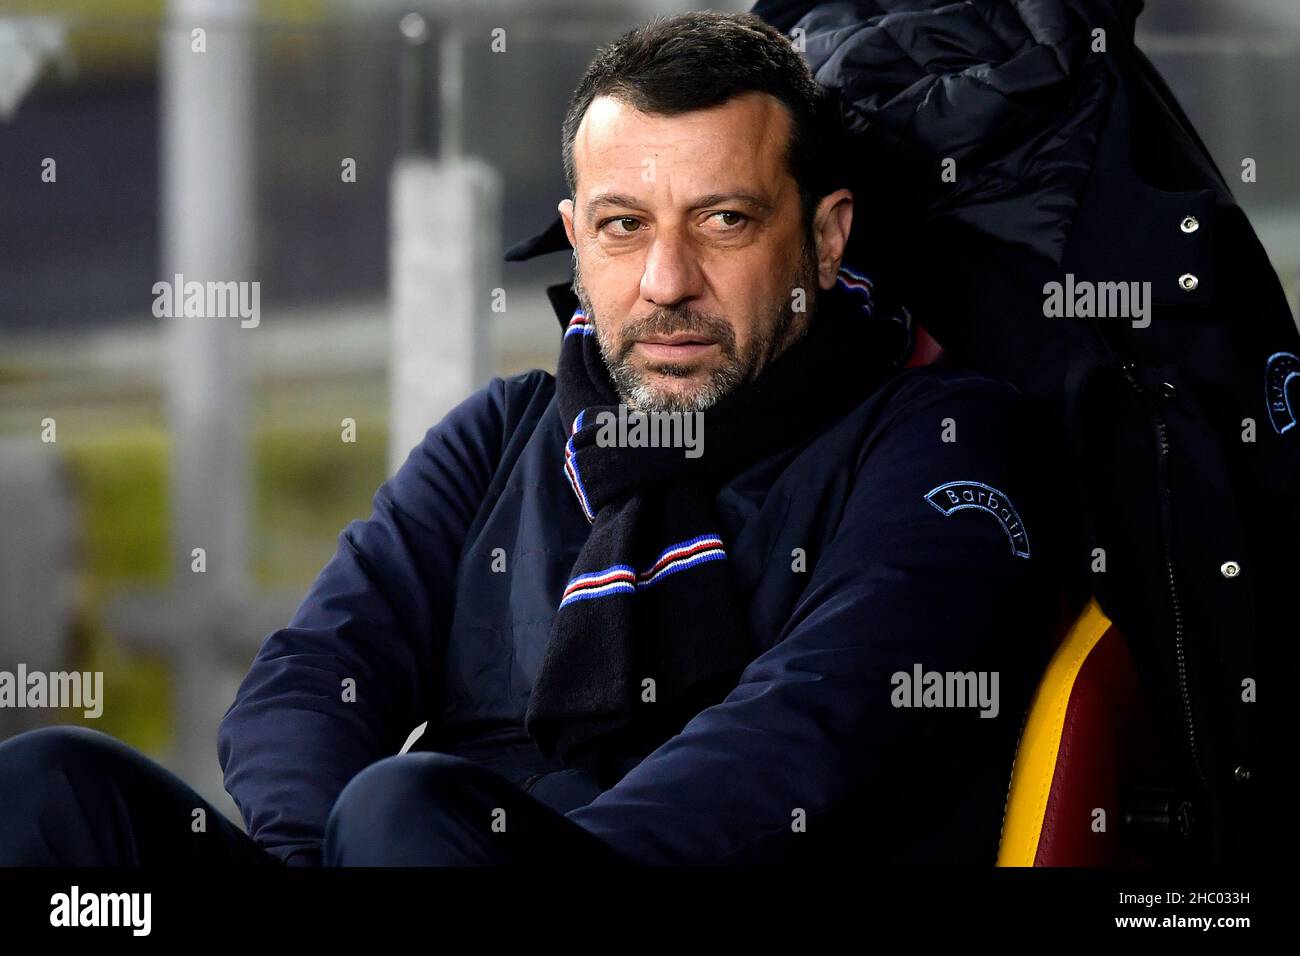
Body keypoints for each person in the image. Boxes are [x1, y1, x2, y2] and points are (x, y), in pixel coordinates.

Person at [0, 10, 1072, 867]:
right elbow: (315, 672)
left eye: (724, 220)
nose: (666, 282)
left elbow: (806, 731)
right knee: (50, 793)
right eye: (623, 227)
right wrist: (299, 855)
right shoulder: (507, 429)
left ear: (826, 236)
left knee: (406, 814)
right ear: (575, 238)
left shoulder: (941, 440)